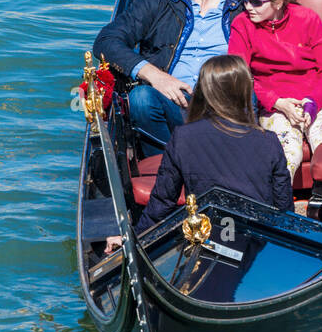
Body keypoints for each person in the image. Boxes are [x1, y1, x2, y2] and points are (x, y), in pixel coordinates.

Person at [105, 55, 293, 251]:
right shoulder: (269, 141)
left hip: (207, 237)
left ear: (203, 91)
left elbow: (162, 202)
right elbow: (283, 209)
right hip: (256, 243)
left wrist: (132, 240)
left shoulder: (183, 137)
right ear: (245, 92)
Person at [92, 0, 244, 150]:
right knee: (142, 99)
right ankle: (166, 165)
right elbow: (106, 40)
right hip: (173, 104)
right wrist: (155, 76)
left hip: (224, 107)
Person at [228, 0, 322, 179]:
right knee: (288, 152)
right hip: (274, 106)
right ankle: (279, 205)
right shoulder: (241, 25)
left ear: (278, 2)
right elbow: (239, 77)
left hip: (317, 100)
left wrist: (312, 102)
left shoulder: (307, 18)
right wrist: (277, 102)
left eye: (255, 2)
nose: (247, 7)